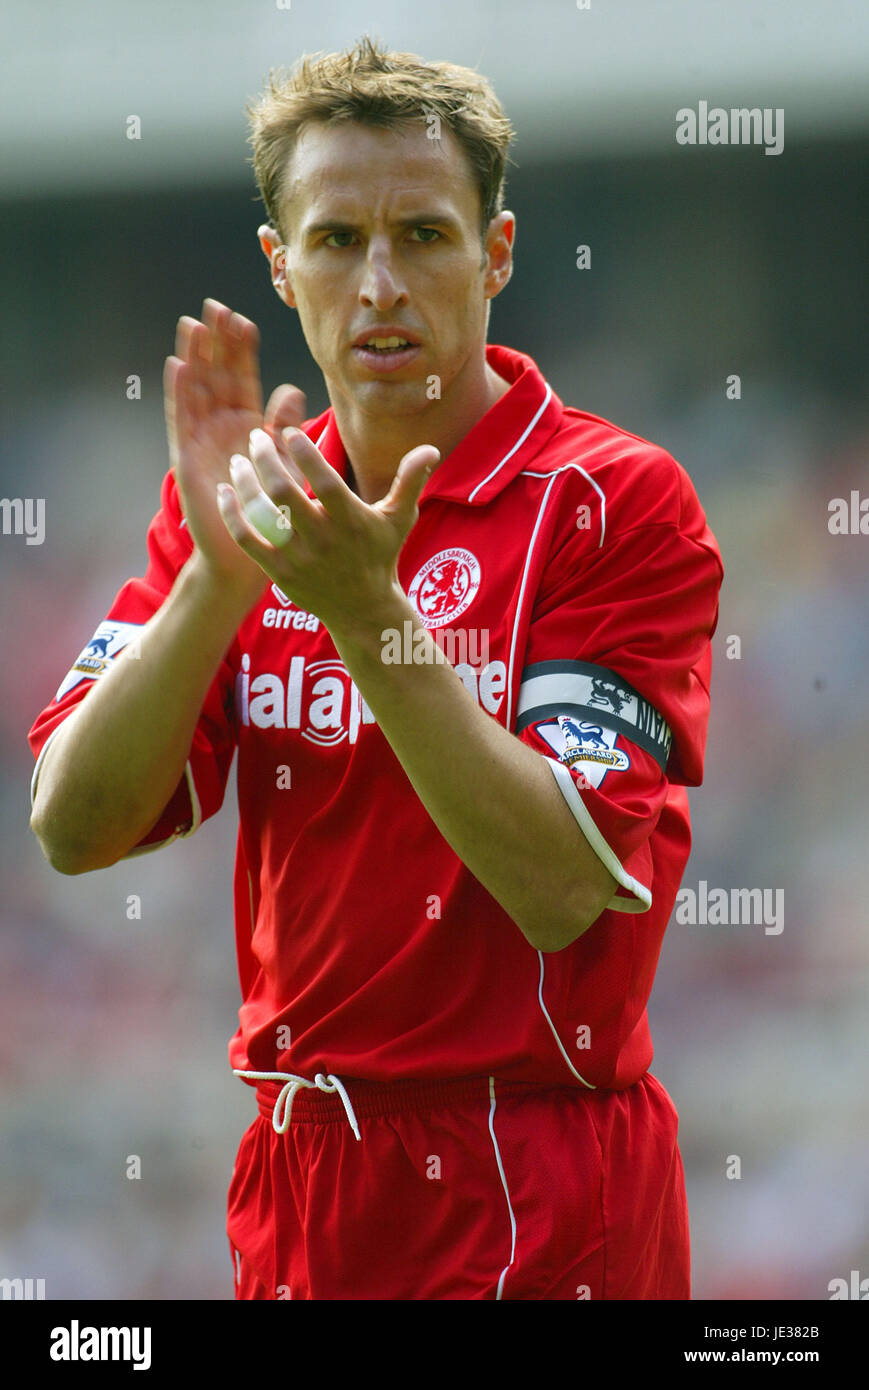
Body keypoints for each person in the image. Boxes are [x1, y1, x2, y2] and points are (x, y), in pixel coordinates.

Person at [28, 35, 723, 1300]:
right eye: (338, 240)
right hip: (301, 1178)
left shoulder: (611, 501)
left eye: (425, 235)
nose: (381, 284)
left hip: (528, 1178)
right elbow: (72, 827)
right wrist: (217, 577)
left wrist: (366, 619)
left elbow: (565, 885)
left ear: (496, 254)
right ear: (279, 267)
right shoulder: (247, 506)